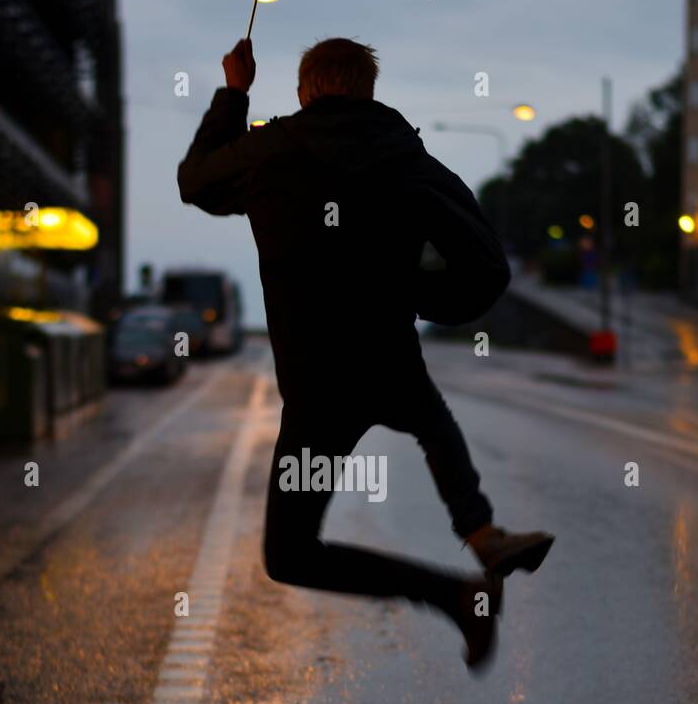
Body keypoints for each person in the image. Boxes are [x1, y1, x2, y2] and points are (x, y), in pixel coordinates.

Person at [178, 36, 553, 671]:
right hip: (387, 356)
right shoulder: (405, 158)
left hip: (315, 382)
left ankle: (453, 593)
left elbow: (198, 182)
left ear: (305, 90)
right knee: (428, 417)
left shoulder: (272, 151)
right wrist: (410, 293)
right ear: (368, 90)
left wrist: (234, 92)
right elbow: (486, 267)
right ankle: (481, 533)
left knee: (290, 555)